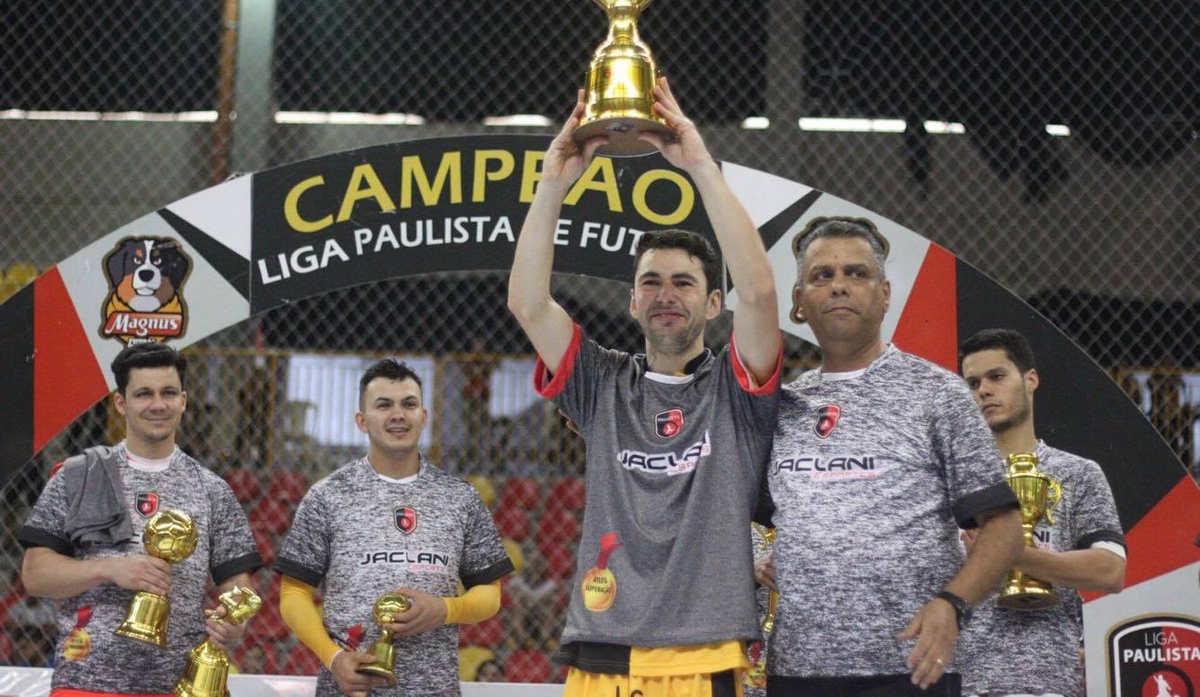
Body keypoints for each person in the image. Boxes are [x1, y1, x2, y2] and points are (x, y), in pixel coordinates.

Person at [507, 77, 783, 697]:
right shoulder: (603, 383)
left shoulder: (736, 388)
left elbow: (762, 294)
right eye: (651, 282)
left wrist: (699, 167)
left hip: (704, 653)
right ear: (631, 301)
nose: (665, 295)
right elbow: (528, 302)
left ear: (714, 303)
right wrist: (553, 183)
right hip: (603, 649)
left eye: (683, 283)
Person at [760, 217, 1024, 696]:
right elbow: (744, 516)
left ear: (884, 294)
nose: (839, 285)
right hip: (795, 673)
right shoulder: (781, 408)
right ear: (798, 304)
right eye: (822, 276)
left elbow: (1003, 525)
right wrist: (759, 557)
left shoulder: (937, 394)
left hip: (910, 672)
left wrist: (953, 604)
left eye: (856, 274)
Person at [17, 342, 262, 696]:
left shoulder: (212, 489)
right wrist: (109, 569)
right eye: (144, 393)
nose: (158, 404)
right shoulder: (78, 476)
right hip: (86, 680)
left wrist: (233, 620)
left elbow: (239, 586)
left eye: (168, 393)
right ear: (121, 402)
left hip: (178, 684)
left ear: (184, 400)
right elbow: (35, 575)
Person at [274, 358, 515, 697]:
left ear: (424, 416)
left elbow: (490, 595)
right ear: (362, 421)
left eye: (409, 404)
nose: (398, 414)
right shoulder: (328, 496)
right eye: (384, 405)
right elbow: (293, 594)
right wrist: (335, 658)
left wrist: (445, 609)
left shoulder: (460, 497)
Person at [957, 328, 1126, 697]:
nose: (983, 390)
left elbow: (1111, 570)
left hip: (1049, 685)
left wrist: (1010, 553)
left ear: (1030, 379)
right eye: (972, 383)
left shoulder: (1078, 474)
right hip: (960, 685)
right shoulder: (946, 481)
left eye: (996, 376)